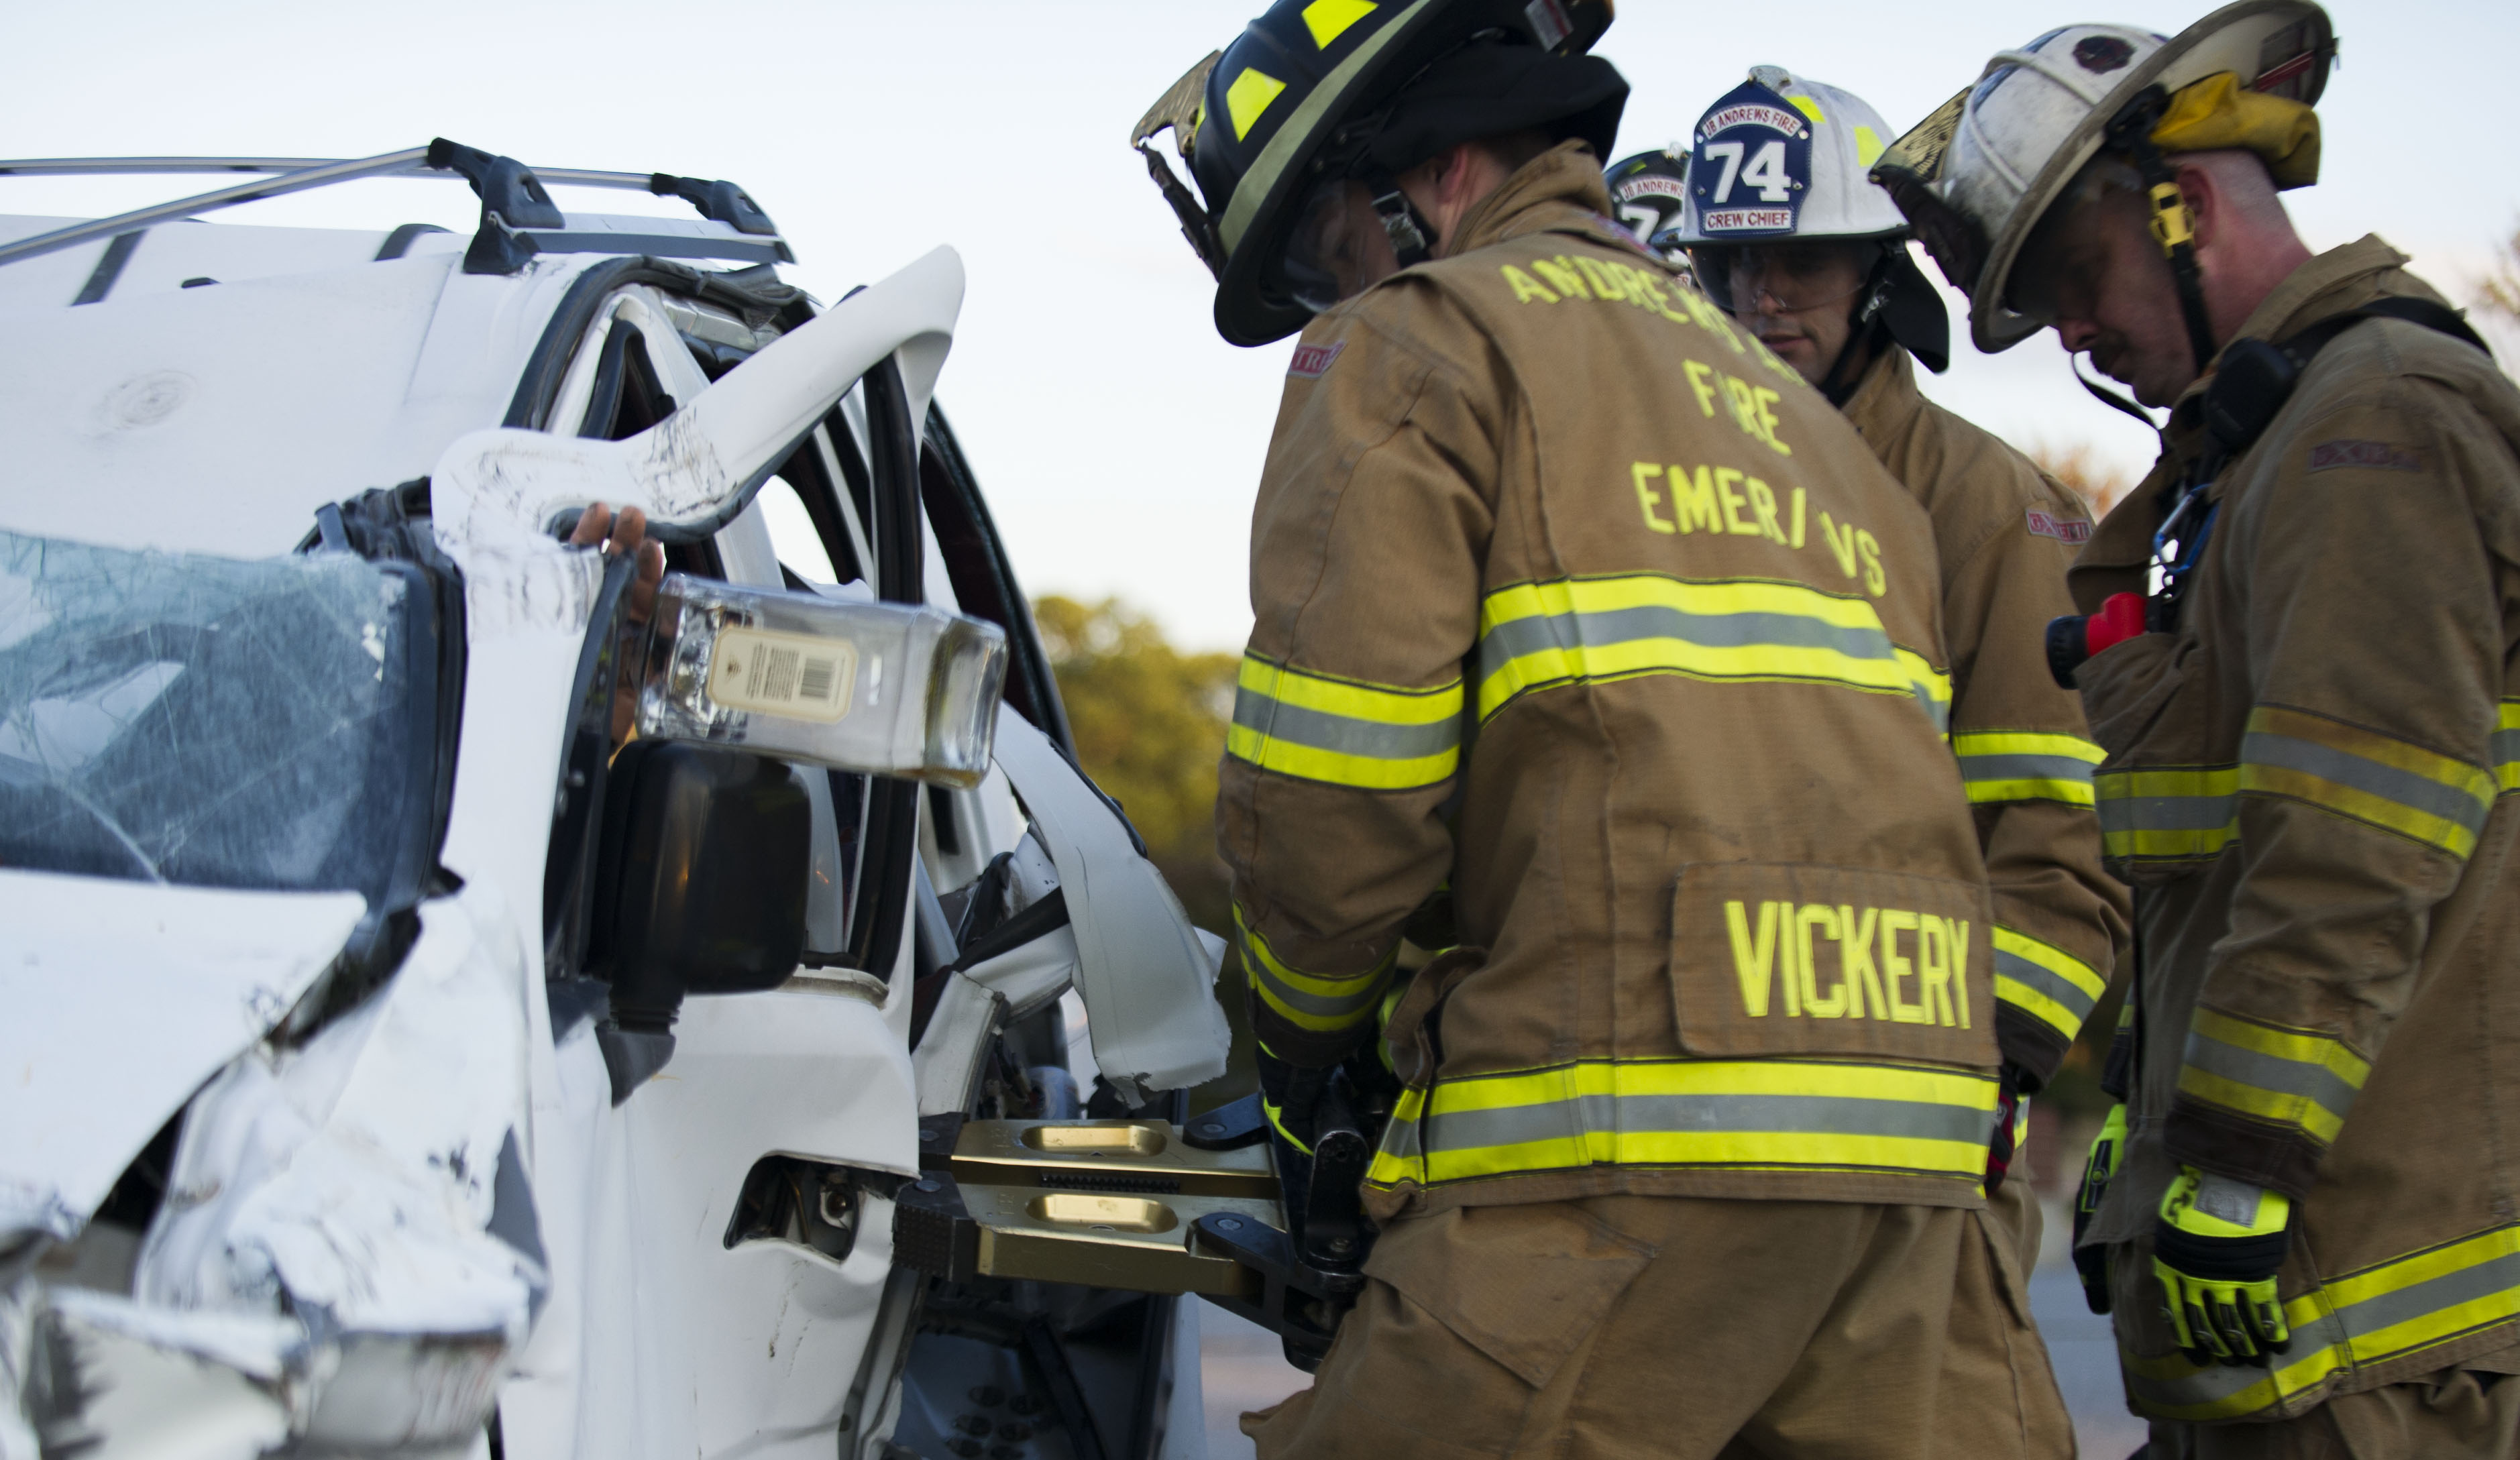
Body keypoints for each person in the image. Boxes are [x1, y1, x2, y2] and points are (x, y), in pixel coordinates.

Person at [1133, 3, 2066, 1453]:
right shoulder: (1788, 410)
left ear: (1432, 173)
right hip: (1910, 1178)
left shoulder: (1422, 346)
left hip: (1627, 1152)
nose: (1339, 289)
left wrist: (1313, 1061)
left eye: (1328, 247)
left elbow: (1329, 799)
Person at [1878, 3, 2520, 1453]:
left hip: (2377, 1330)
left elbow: (2353, 839)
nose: (2075, 333)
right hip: (2296, 1316)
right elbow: (2214, 872)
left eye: (2078, 278)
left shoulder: (2375, 427)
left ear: (2181, 198)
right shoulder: (2256, 459)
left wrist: (2234, 1160)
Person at [1665, 66, 2131, 1282]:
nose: (1761, 298)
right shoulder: (1661, 490)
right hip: (1695, 1111)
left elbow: (2058, 832)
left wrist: (1989, 1072)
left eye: (1802, 263)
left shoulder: (1981, 507)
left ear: (1878, 271)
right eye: (1731, 266)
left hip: (1917, 1126)